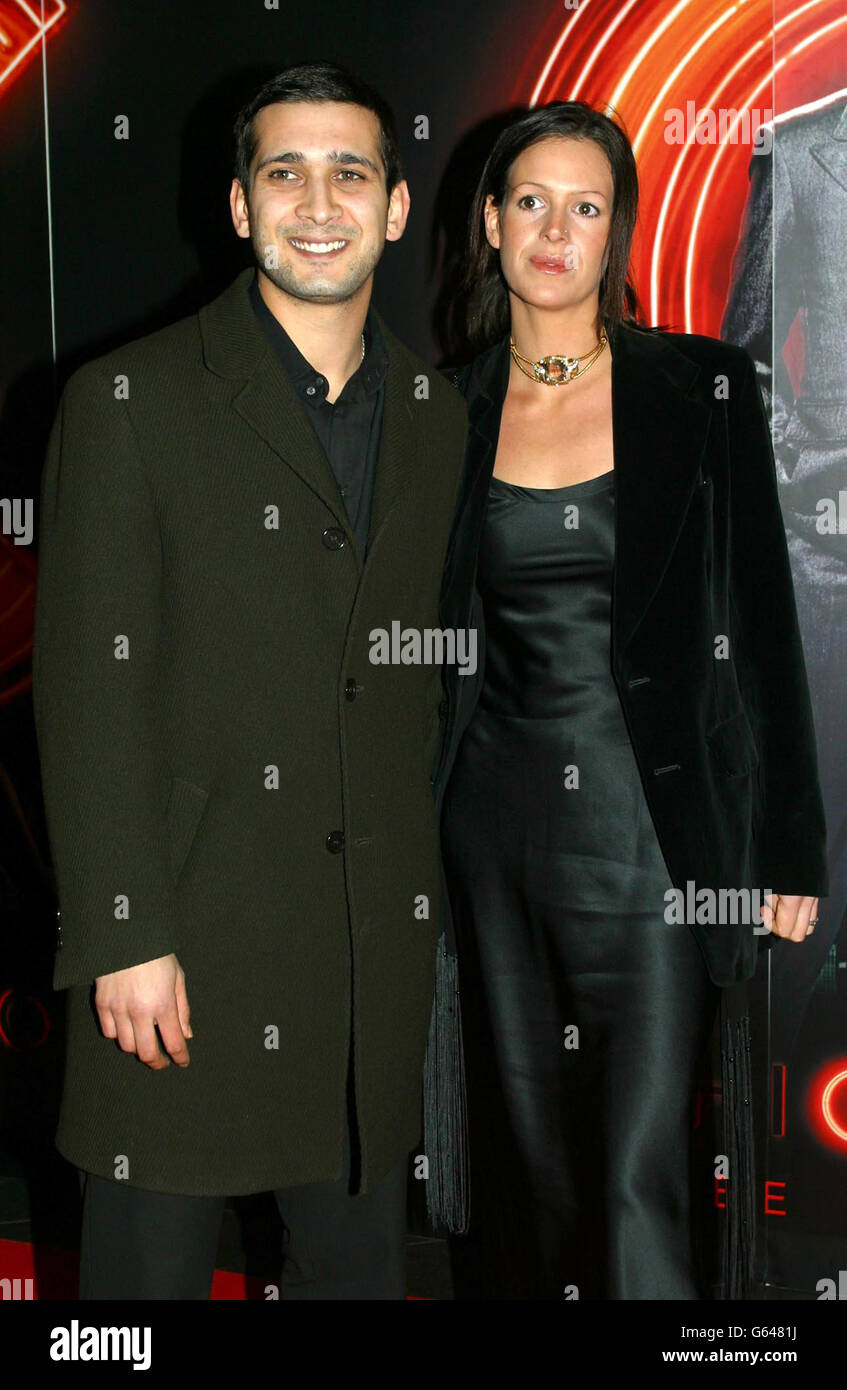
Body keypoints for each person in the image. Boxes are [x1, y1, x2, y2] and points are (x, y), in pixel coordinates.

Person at [32, 61, 468, 1301]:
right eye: (285, 172)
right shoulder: (129, 400)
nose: (316, 201)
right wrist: (124, 931)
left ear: (393, 207)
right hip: (180, 957)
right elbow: (84, 685)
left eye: (350, 173)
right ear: (240, 206)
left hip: (359, 971)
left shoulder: (437, 416)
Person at [433, 102, 828, 1300]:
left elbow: (761, 626)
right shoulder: (439, 411)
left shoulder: (699, 387)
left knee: (636, 1167)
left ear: (618, 236)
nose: (557, 229)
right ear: (491, 224)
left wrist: (789, 850)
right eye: (532, 202)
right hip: (490, 837)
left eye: (587, 205)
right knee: (532, 1172)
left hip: (653, 840)